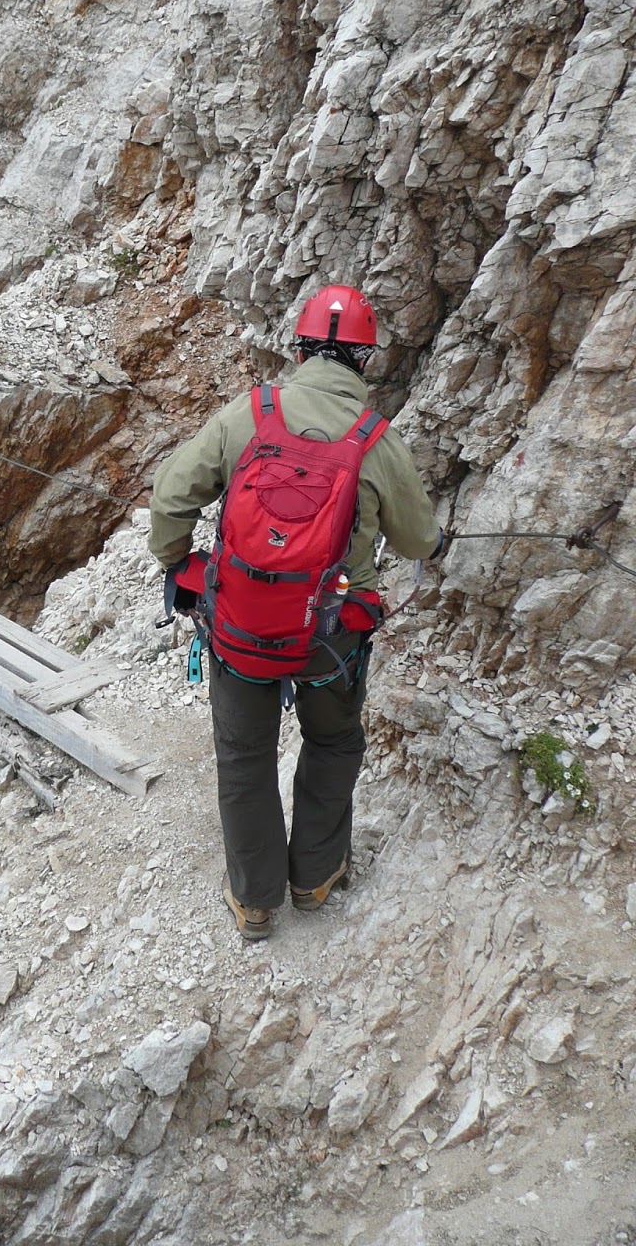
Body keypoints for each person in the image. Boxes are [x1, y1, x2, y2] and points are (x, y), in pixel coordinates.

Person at [147, 284, 447, 941]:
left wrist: (176, 562)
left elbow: (172, 495)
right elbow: (420, 542)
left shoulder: (248, 414)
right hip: (331, 637)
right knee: (334, 741)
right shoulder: (376, 441)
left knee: (243, 754)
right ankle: (316, 877)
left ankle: (255, 902)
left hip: (241, 629)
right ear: (364, 361)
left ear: (302, 348)